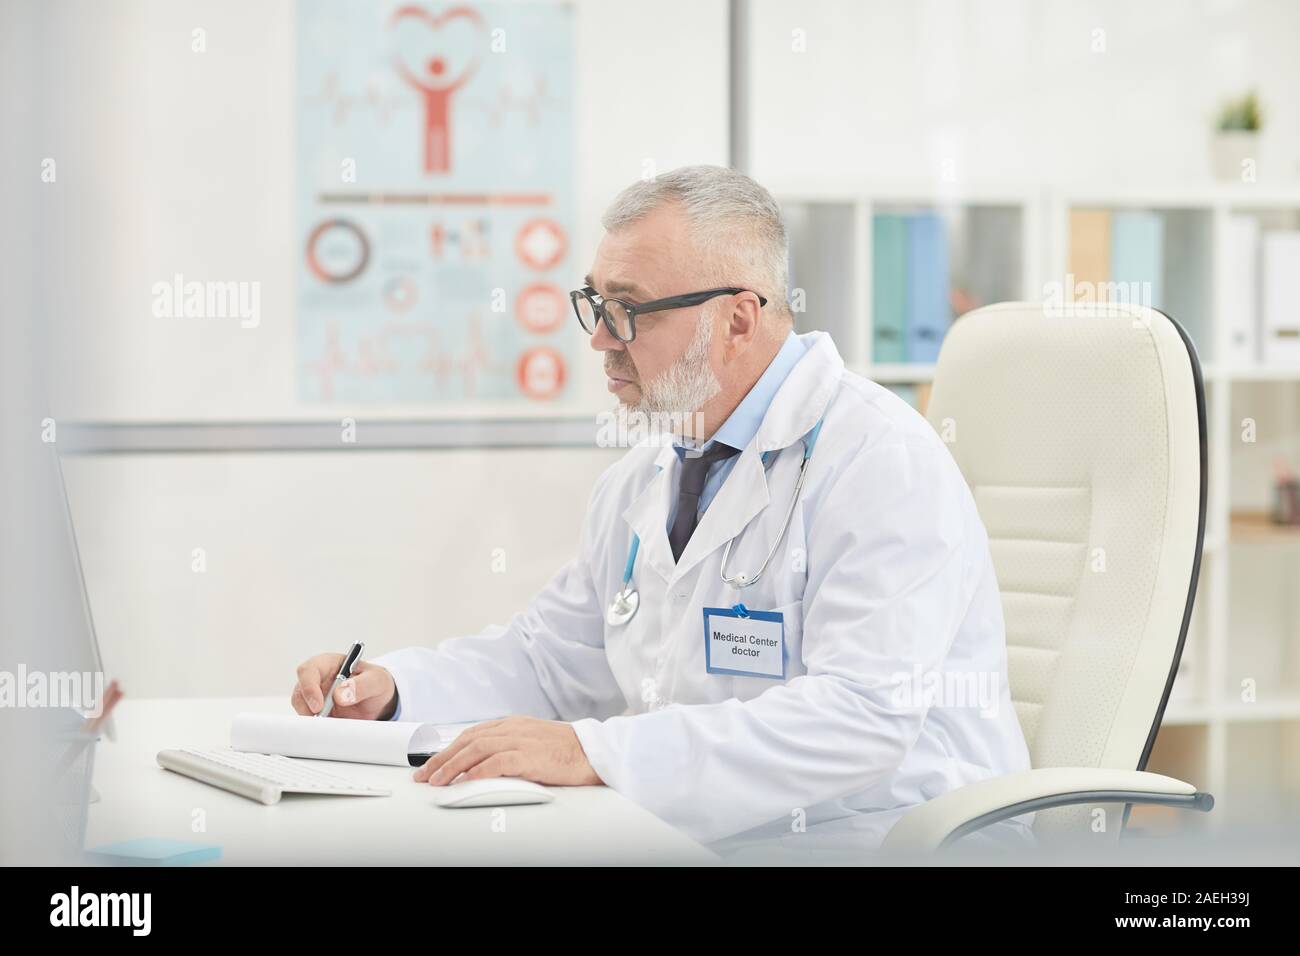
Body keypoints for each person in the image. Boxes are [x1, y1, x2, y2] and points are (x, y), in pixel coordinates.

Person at [291, 165, 1033, 854]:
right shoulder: (649, 471)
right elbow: (551, 662)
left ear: (739, 320)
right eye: (595, 303)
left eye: (628, 311)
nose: (599, 340)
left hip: (887, 841)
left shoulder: (877, 460)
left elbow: (861, 718)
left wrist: (595, 752)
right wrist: (395, 690)